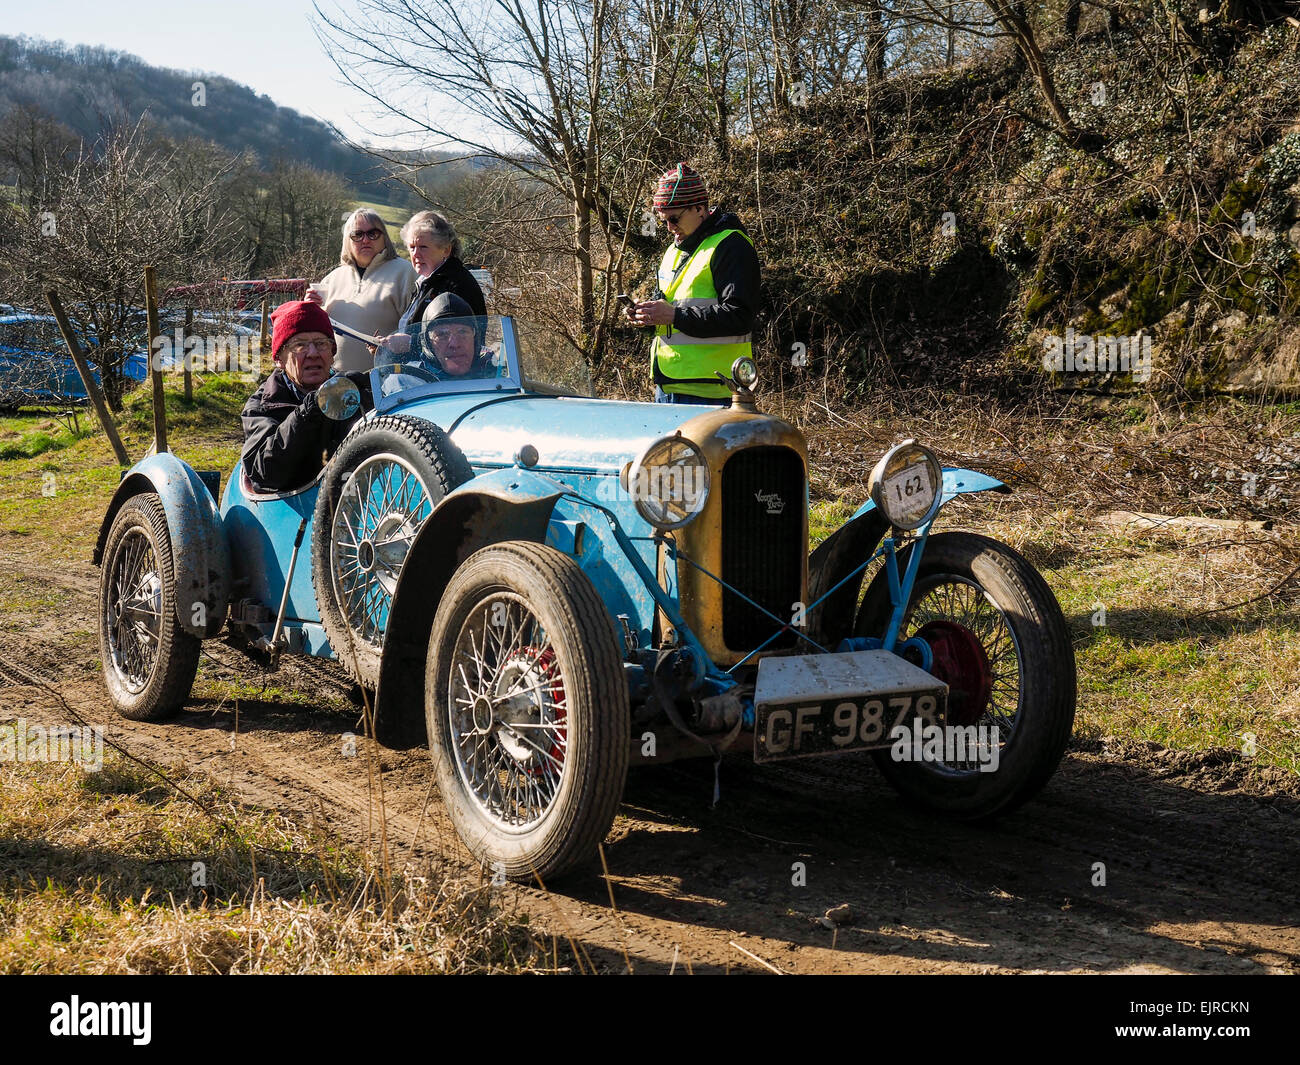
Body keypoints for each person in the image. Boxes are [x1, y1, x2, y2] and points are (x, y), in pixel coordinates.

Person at [628, 163, 760, 405]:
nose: (669, 228)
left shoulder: (731, 246)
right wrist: (647, 316)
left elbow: (740, 316)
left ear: (700, 208)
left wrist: (674, 316)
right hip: (668, 387)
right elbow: (669, 314)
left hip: (712, 392)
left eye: (674, 219)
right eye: (664, 220)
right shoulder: (673, 251)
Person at [241, 301, 372, 493]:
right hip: (295, 514)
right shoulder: (263, 405)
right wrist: (311, 409)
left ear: (332, 353)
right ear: (279, 359)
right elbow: (265, 474)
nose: (313, 353)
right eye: (300, 345)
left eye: (321, 344)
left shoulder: (354, 392)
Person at [307, 208, 416, 373]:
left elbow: (417, 332)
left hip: (386, 382)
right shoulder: (332, 278)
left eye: (373, 233)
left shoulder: (406, 272)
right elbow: (316, 333)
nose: (365, 240)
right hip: (336, 383)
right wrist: (310, 309)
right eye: (357, 235)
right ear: (347, 241)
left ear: (384, 237)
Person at [381, 211, 485, 356]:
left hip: (445, 377)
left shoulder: (455, 285)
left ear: (446, 250)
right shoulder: (427, 282)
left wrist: (410, 343)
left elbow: (455, 341)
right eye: (412, 247)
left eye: (423, 247)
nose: (415, 254)